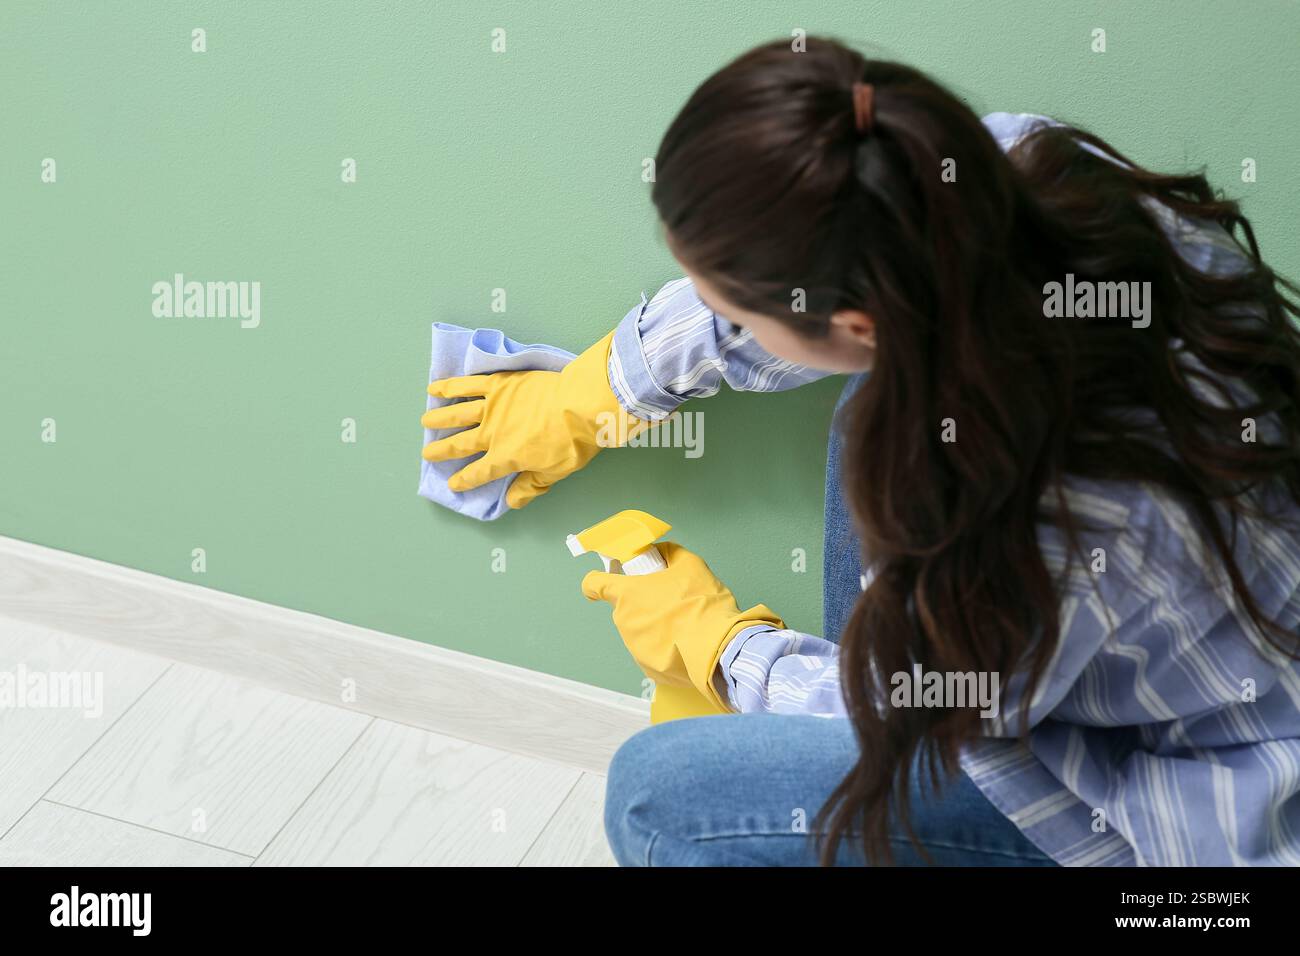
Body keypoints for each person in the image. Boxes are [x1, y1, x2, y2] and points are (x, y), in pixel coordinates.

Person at [421, 37, 1300, 866]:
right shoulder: (1012, 165)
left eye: (727, 297)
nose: (709, 307)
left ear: (852, 323)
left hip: (1201, 848)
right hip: (1160, 647)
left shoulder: (1018, 523)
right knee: (866, 419)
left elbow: (913, 711)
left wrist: (725, 650)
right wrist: (602, 391)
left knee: (659, 795)